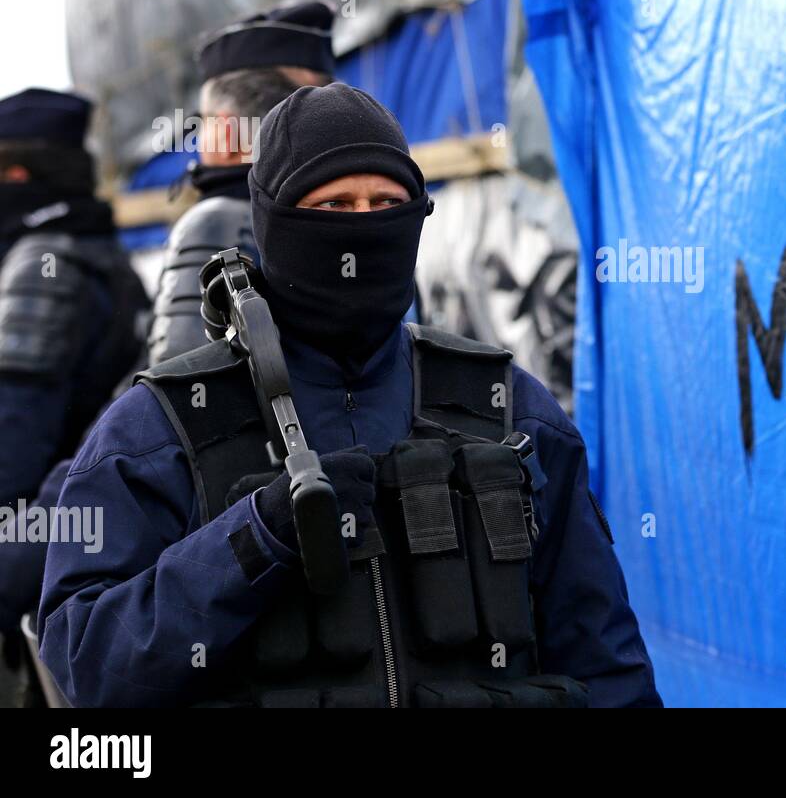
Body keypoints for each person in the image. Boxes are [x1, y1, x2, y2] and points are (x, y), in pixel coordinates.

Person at [40, 82, 660, 708]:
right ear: (274, 224)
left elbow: (609, 671)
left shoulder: (508, 413)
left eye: (387, 203)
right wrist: (256, 537)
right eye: (335, 206)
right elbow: (86, 664)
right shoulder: (163, 429)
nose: (364, 229)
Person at [0, 88, 148, 704]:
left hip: (42, 571)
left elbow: (9, 455)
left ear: (16, 174)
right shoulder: (106, 257)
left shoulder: (43, 267)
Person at [149, 0, 336, 365]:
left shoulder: (217, 222)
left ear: (226, 131)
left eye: (202, 123)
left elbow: (181, 383)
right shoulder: (366, 207)